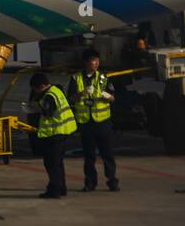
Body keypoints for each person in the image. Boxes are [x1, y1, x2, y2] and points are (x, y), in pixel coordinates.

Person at [69, 49, 119, 192]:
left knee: (107, 154)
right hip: (86, 123)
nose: (96, 63)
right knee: (89, 156)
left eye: (97, 60)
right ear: (86, 62)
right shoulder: (76, 78)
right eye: (93, 60)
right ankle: (90, 182)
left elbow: (112, 97)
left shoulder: (103, 78)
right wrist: (82, 93)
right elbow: (71, 98)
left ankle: (112, 181)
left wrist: (105, 96)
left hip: (102, 122)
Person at [30, 73, 77, 199]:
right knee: (58, 163)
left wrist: (37, 106)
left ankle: (54, 190)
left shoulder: (49, 96)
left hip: (54, 133)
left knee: (51, 164)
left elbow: (48, 113)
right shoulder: (56, 90)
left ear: (41, 86)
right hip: (63, 131)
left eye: (35, 89)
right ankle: (61, 188)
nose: (34, 92)